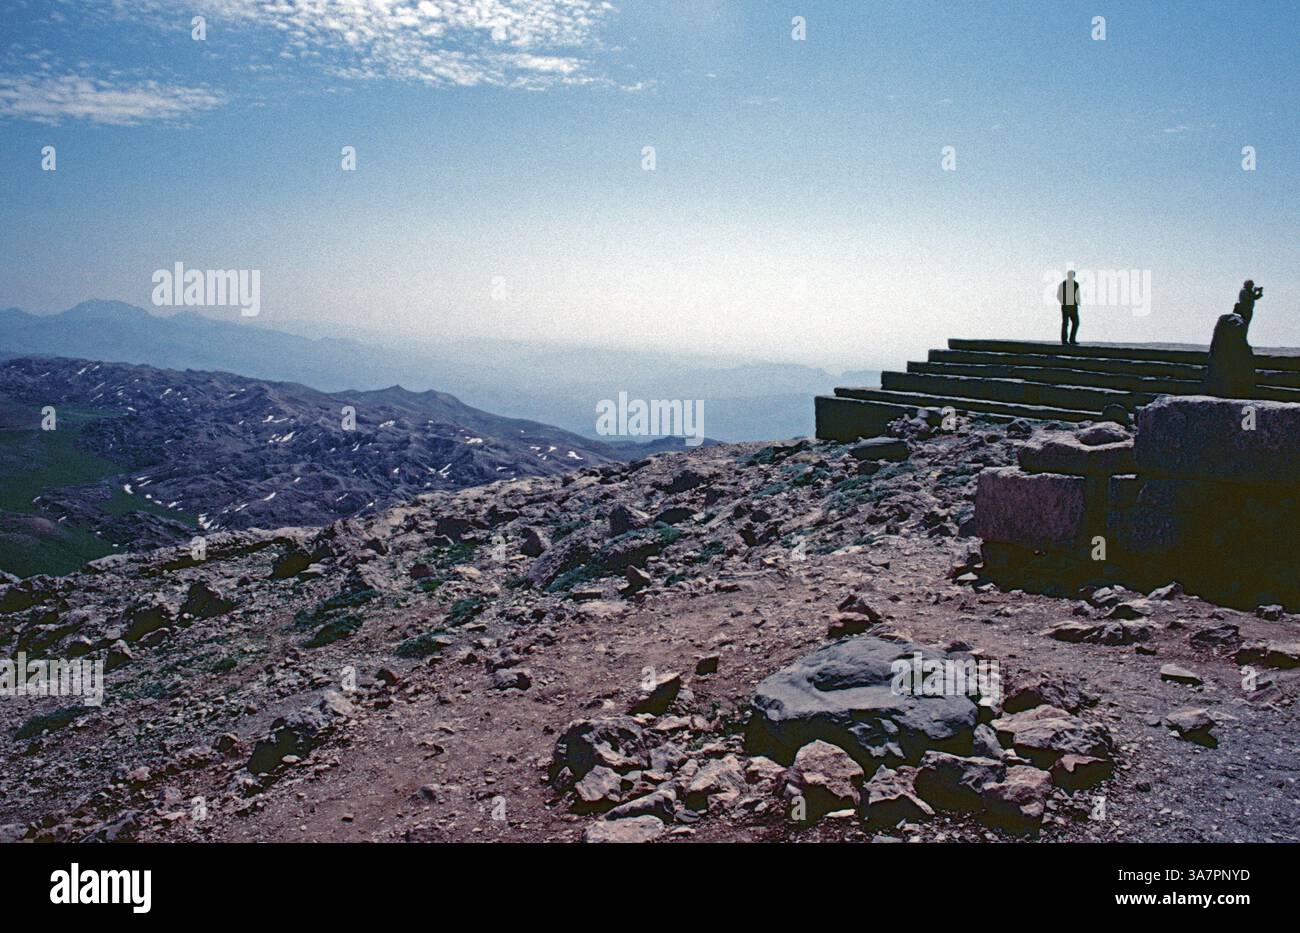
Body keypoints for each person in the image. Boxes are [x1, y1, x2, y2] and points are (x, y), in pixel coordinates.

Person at [1057, 270, 1081, 345]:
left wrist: (1078, 302)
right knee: (1065, 323)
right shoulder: (1064, 284)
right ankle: (1064, 340)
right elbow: (1059, 295)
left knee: (1076, 323)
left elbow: (1077, 294)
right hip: (1066, 306)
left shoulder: (1076, 284)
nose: (1072, 276)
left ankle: (1072, 339)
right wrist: (1064, 302)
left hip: (1073, 306)